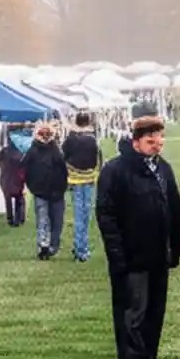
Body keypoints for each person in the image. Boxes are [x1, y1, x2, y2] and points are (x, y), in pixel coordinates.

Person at [96, 116, 180, 359]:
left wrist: (176, 247)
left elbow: (174, 209)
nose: (157, 144)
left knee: (155, 311)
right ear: (136, 142)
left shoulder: (163, 169)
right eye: (151, 140)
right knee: (134, 311)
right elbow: (106, 215)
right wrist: (117, 254)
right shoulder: (115, 170)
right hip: (132, 255)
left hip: (159, 255)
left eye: (160, 138)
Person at [22, 125, 68, 259]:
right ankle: (50, 245)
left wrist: (31, 185)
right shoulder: (55, 151)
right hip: (53, 191)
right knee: (54, 220)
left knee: (44, 219)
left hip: (43, 190)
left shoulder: (34, 151)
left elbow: (25, 170)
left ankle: (45, 245)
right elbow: (63, 170)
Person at [62, 112, 101, 262]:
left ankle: (80, 248)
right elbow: (97, 159)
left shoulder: (71, 139)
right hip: (90, 179)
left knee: (79, 215)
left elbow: (63, 156)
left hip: (75, 180)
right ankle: (82, 248)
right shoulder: (93, 139)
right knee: (86, 215)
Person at [0, 141, 27, 227]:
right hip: (17, 179)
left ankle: (10, 219)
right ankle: (19, 218)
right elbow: (24, 166)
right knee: (19, 199)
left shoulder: (4, 151)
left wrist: (3, 166)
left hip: (5, 179)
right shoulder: (20, 153)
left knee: (8, 200)